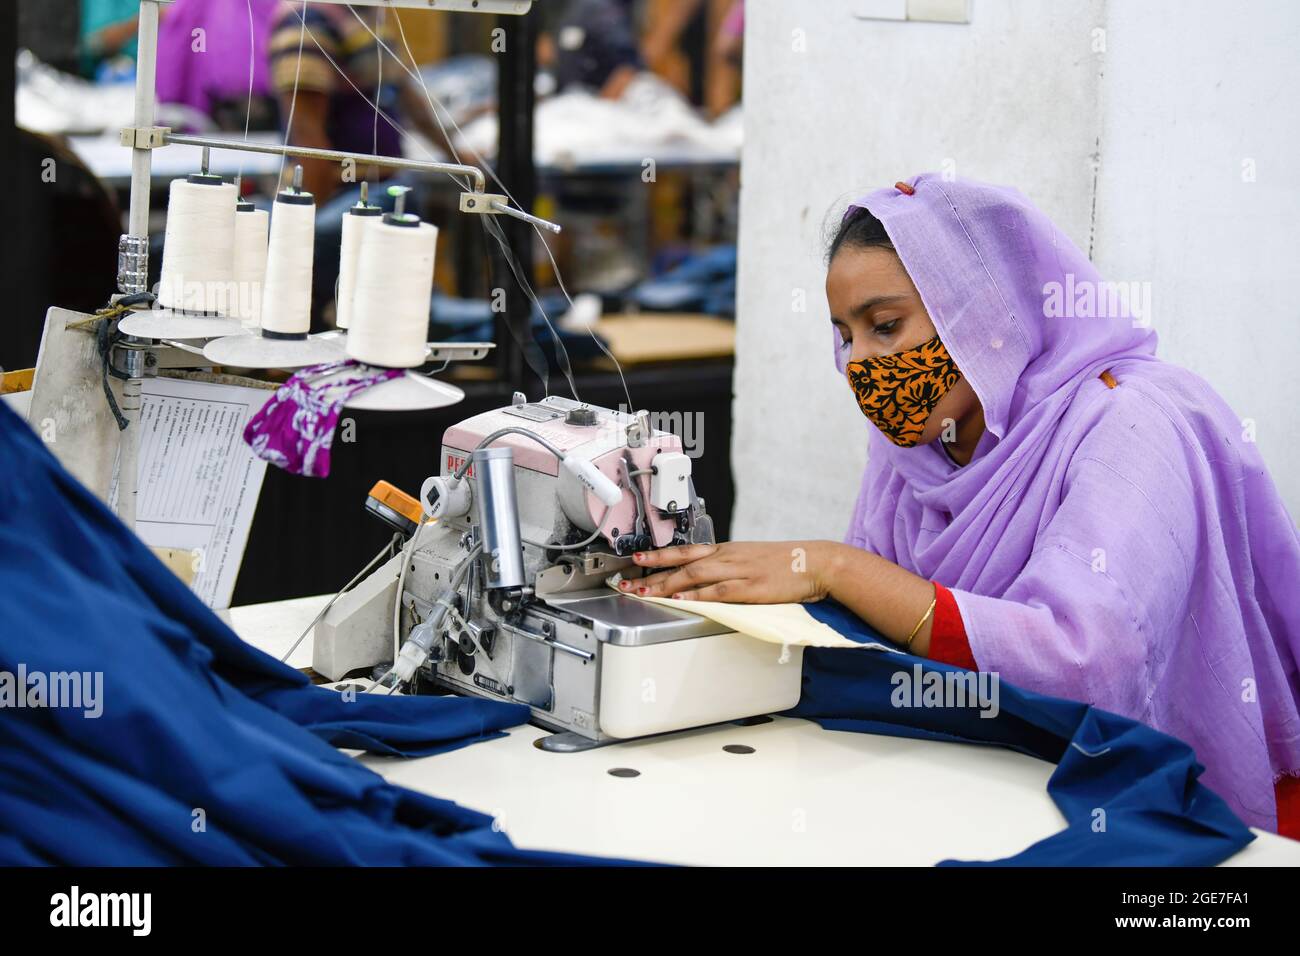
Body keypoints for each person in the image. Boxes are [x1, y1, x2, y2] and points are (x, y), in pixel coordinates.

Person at [622, 174, 1300, 837]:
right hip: (991, 782)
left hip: (1153, 806)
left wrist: (836, 568)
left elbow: (1090, 663)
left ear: (981, 312)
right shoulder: (913, 454)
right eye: (845, 335)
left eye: (885, 326)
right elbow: (882, 644)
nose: (860, 363)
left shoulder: (1130, 422)